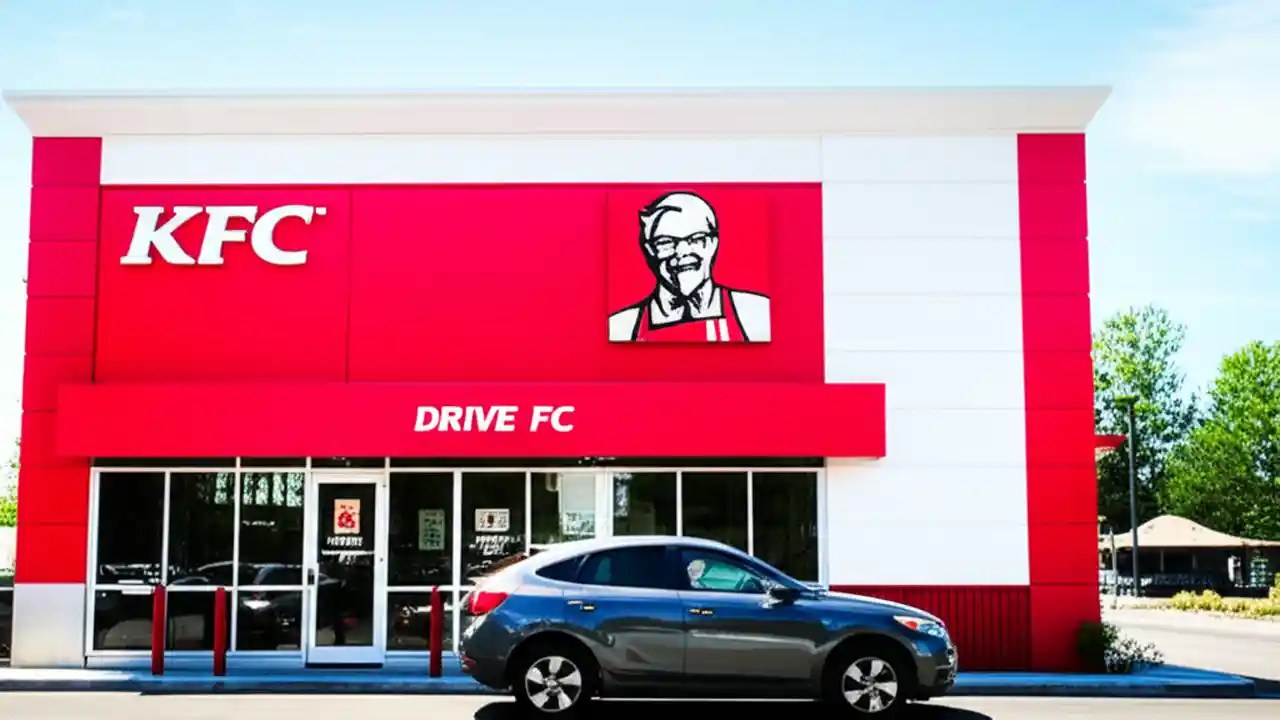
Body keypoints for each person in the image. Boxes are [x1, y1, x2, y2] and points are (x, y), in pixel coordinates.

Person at [609, 191, 770, 342]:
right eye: (665, 242)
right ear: (650, 250)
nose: (682, 252)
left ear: (713, 244)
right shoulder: (622, 327)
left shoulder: (756, 312)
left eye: (696, 239)